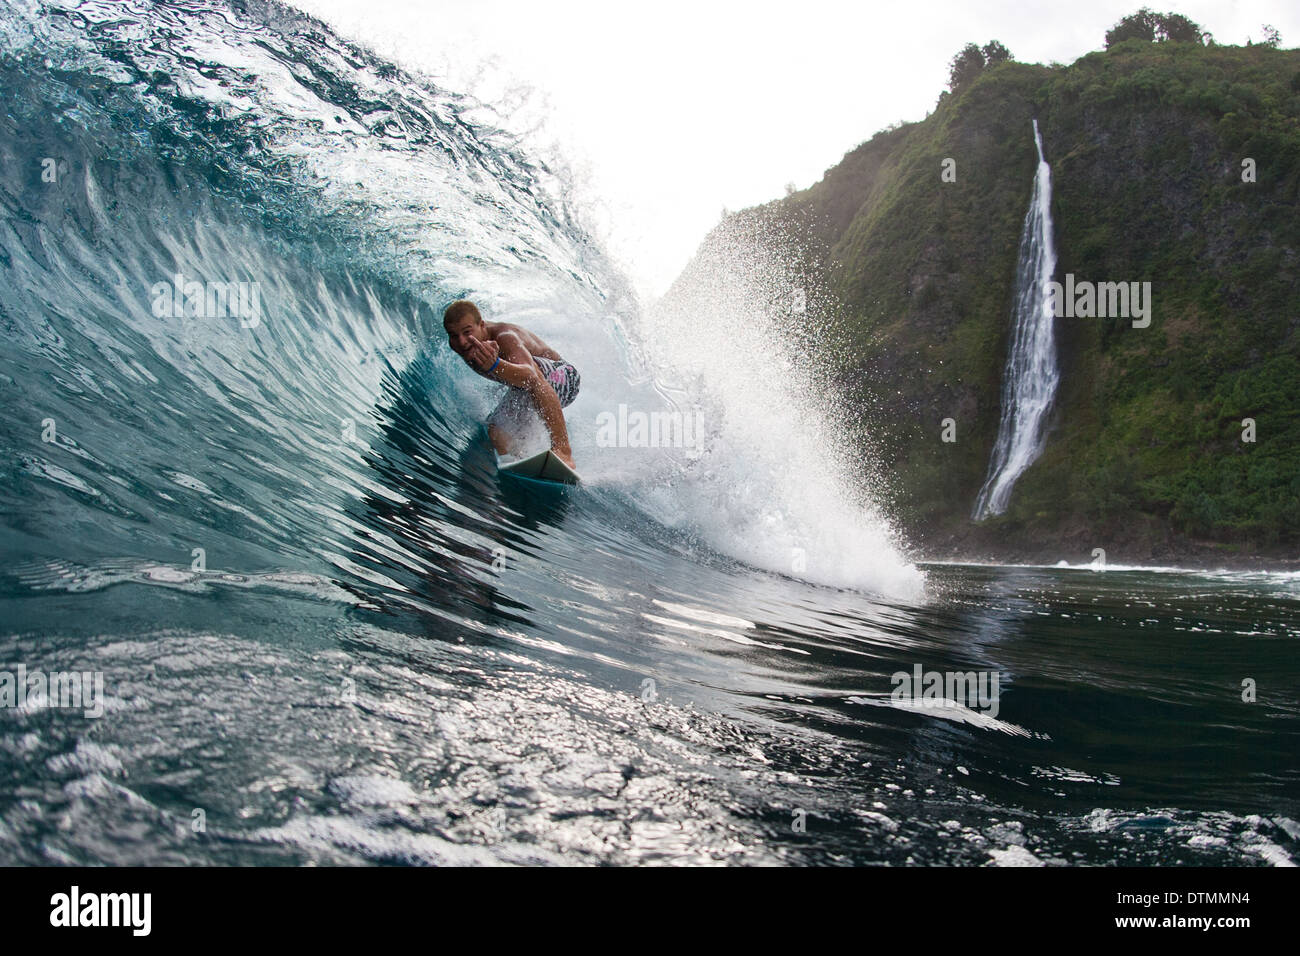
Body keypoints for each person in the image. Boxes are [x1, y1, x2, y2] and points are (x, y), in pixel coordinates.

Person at [443, 300, 579, 469]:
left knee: (532, 376)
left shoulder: (504, 337)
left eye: (467, 332)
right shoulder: (468, 346)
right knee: (496, 431)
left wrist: (495, 365)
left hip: (564, 377)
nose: (462, 342)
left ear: (482, 325)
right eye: (453, 335)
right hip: (537, 385)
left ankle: (563, 452)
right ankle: (524, 461)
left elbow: (530, 376)